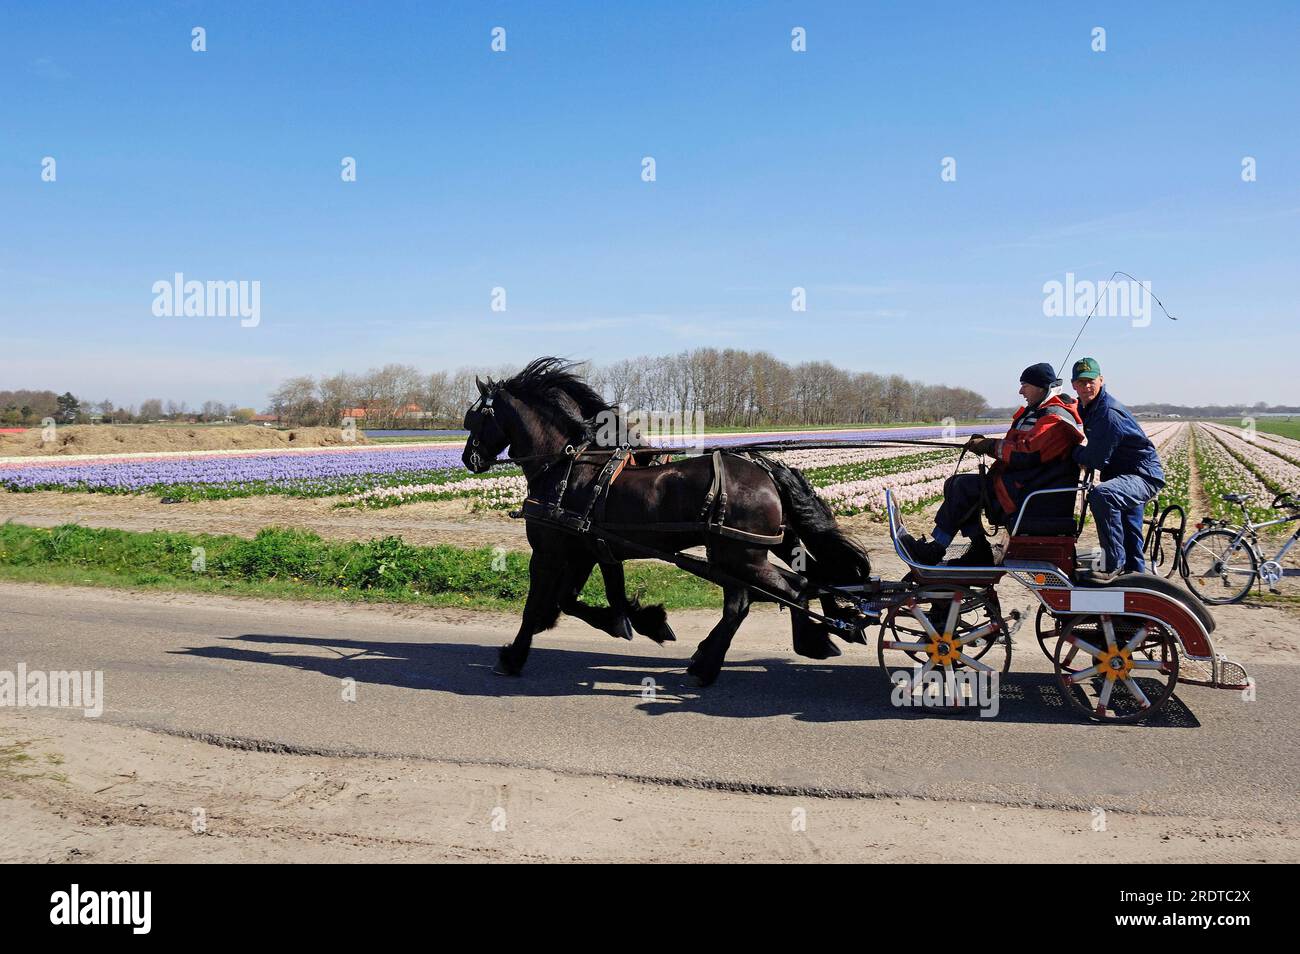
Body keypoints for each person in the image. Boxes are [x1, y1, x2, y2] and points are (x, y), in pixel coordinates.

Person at [903, 362, 1083, 566]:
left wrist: (988, 446)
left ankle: (939, 550)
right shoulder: (1039, 412)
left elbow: (1025, 454)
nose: (1020, 390)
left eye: (1025, 385)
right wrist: (986, 444)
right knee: (957, 484)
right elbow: (1017, 445)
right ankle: (976, 549)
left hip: (1029, 495)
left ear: (1042, 387)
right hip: (1023, 486)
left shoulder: (1054, 418)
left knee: (961, 487)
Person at [1068, 357, 1164, 579]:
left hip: (1142, 476)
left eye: (1091, 381)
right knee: (1131, 532)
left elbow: (1094, 459)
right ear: (1074, 385)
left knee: (1103, 496)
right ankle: (1136, 581)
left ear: (1101, 380)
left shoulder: (1108, 413)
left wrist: (1073, 451)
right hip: (1124, 475)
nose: (1086, 386)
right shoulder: (1089, 406)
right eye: (1081, 382)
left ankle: (1113, 566)